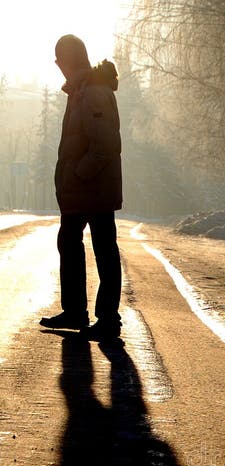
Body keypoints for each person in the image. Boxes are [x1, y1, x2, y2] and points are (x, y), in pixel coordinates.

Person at [40, 34, 123, 341]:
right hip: (82, 190)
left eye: (60, 60)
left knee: (103, 250)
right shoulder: (81, 91)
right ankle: (76, 311)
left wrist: (78, 173)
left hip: (93, 189)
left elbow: (106, 145)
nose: (58, 66)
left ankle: (107, 319)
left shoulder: (93, 93)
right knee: (71, 245)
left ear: (68, 61)